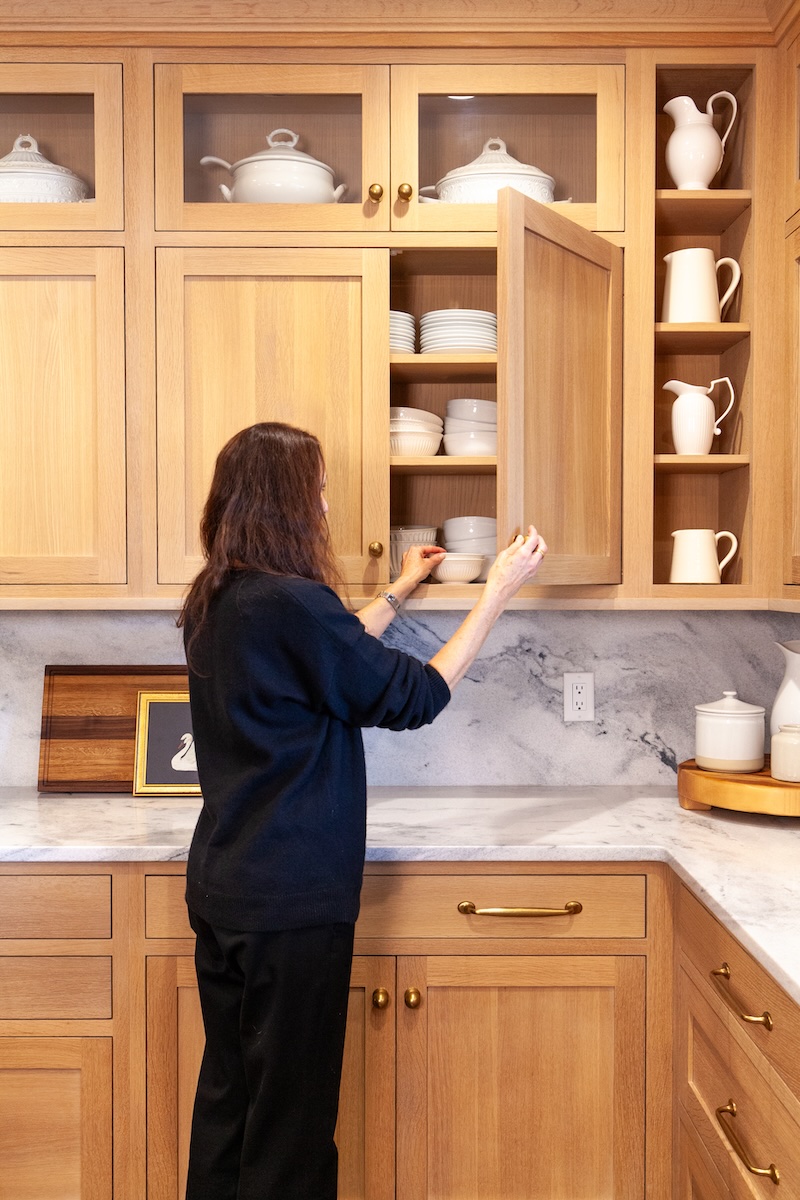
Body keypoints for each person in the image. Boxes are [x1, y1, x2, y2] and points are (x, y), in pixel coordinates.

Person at [178, 421, 547, 1200]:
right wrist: (495, 596)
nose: (322, 503)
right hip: (292, 902)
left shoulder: (223, 597)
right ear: (285, 503)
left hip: (226, 890)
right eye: (314, 488)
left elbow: (335, 655)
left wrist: (400, 589)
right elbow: (414, 694)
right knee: (293, 1129)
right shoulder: (293, 604)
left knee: (232, 1103)